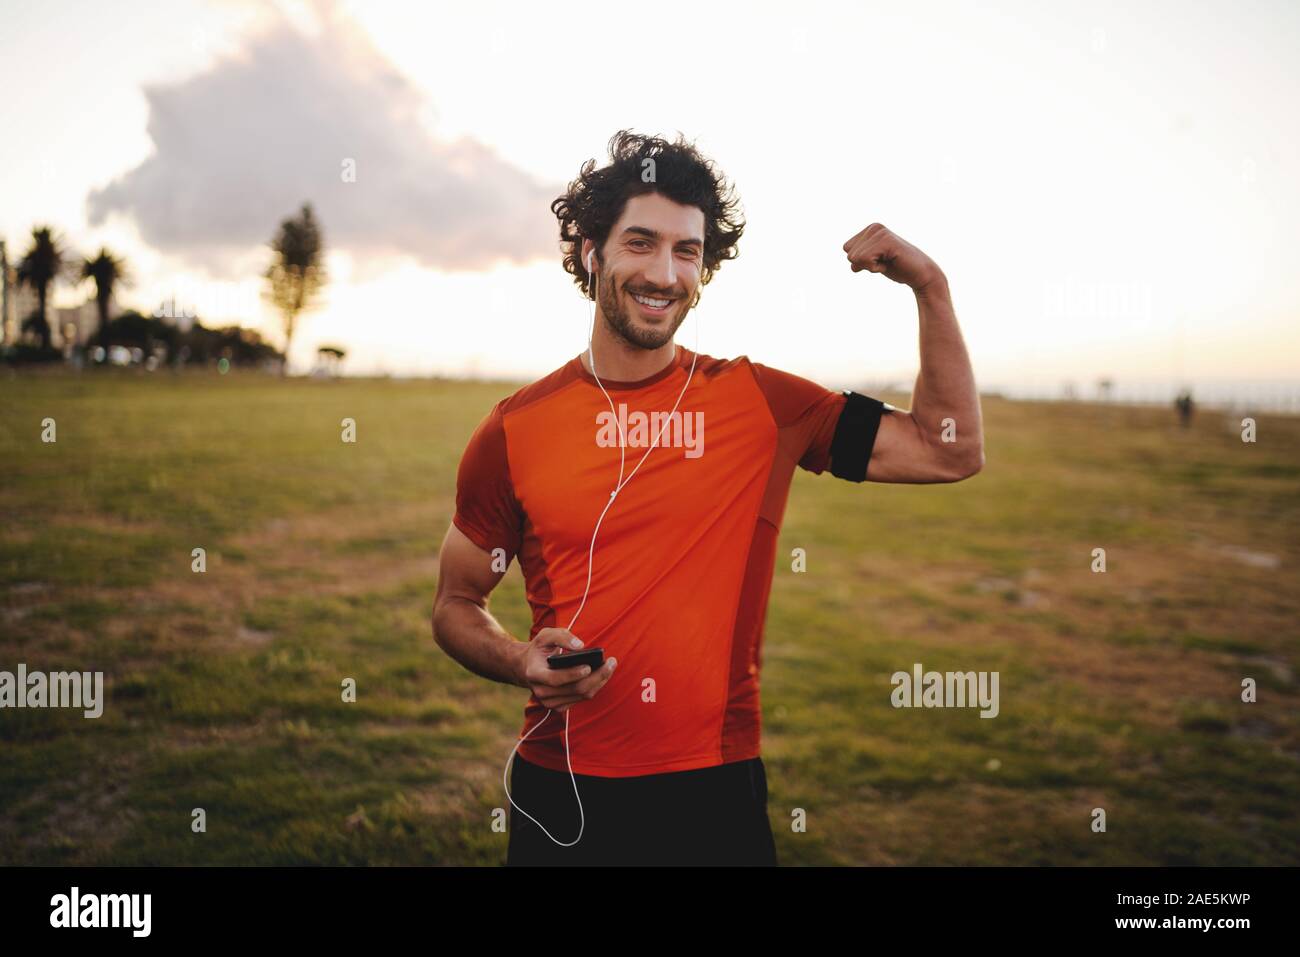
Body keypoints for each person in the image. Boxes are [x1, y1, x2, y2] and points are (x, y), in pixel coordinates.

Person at [431, 130, 984, 866]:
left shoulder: (760, 403)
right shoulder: (514, 429)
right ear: (592, 251)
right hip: (563, 793)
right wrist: (519, 659)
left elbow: (947, 448)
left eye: (686, 251)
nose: (664, 273)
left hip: (715, 795)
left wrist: (931, 287)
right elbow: (455, 604)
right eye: (640, 242)